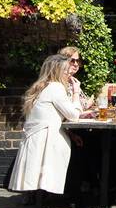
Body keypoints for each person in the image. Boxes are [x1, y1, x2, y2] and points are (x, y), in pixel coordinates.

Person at [8, 55, 80, 197]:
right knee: (83, 152)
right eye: (65, 70)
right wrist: (76, 91)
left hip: (38, 139)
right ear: (57, 71)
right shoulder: (55, 87)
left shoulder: (42, 86)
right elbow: (74, 115)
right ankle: (75, 196)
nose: (68, 73)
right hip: (47, 141)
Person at [58, 46, 96, 112]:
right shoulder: (59, 82)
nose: (76, 64)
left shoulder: (73, 81)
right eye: (72, 60)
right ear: (63, 62)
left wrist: (89, 102)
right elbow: (71, 110)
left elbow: (82, 104)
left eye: (77, 61)